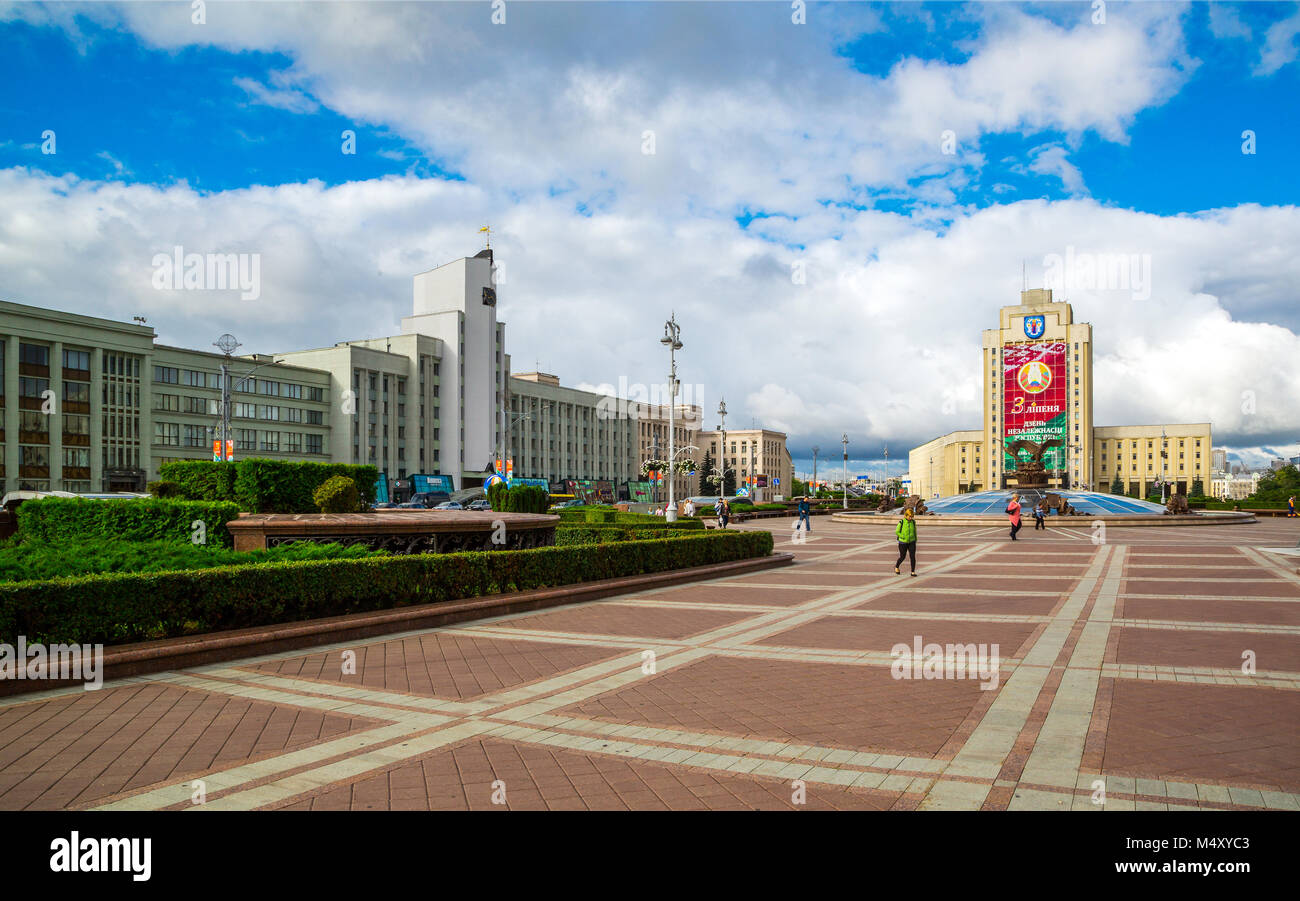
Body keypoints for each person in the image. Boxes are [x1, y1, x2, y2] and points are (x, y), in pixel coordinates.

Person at [894, 508, 918, 576]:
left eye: (912, 516)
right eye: (909, 516)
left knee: (912, 556)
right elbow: (897, 532)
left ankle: (913, 572)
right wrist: (903, 536)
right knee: (902, 557)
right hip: (902, 543)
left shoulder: (913, 522)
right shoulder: (901, 522)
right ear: (906, 515)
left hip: (912, 542)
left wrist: (915, 539)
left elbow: (914, 531)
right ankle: (897, 567)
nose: (911, 518)